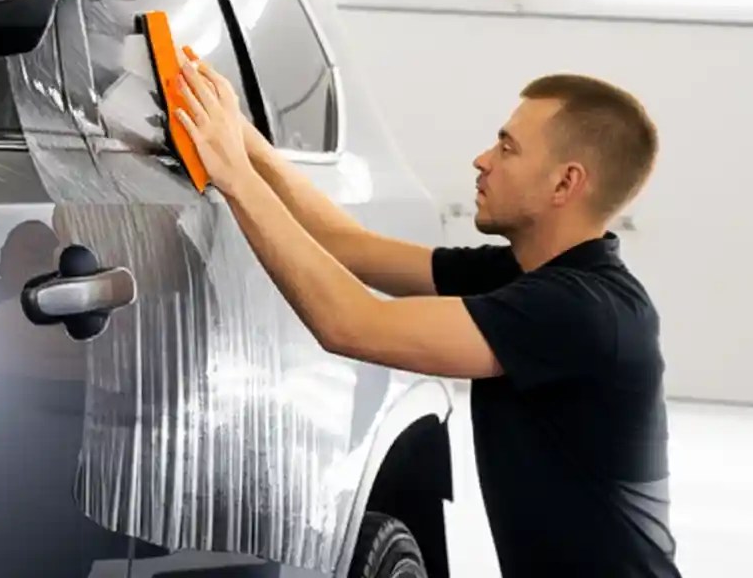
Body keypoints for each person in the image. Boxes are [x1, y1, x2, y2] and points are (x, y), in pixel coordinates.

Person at [171, 59, 680, 577]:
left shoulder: (581, 310)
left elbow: (351, 325)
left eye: (508, 148)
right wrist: (246, 142)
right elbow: (353, 248)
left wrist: (234, 177)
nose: (483, 160)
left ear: (564, 184)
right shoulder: (527, 275)